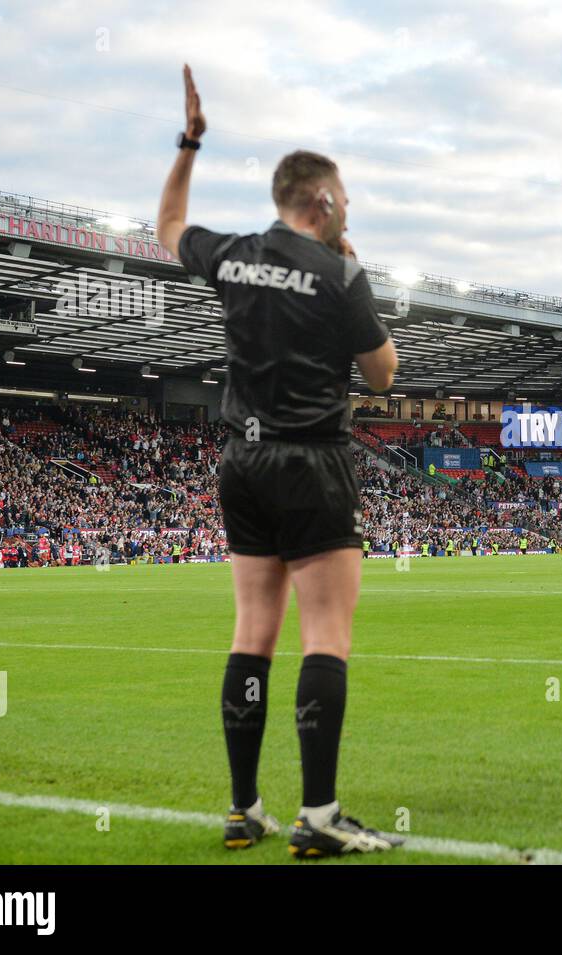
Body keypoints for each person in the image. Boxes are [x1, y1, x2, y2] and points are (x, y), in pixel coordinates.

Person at [157, 65, 403, 857]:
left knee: (252, 631)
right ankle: (321, 815)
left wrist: (190, 142)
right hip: (313, 463)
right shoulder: (339, 271)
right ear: (324, 203)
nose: (348, 210)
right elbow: (383, 373)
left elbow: (166, 229)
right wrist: (353, 274)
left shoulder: (233, 255)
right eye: (347, 201)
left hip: (241, 462)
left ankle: (243, 808)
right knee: (325, 632)